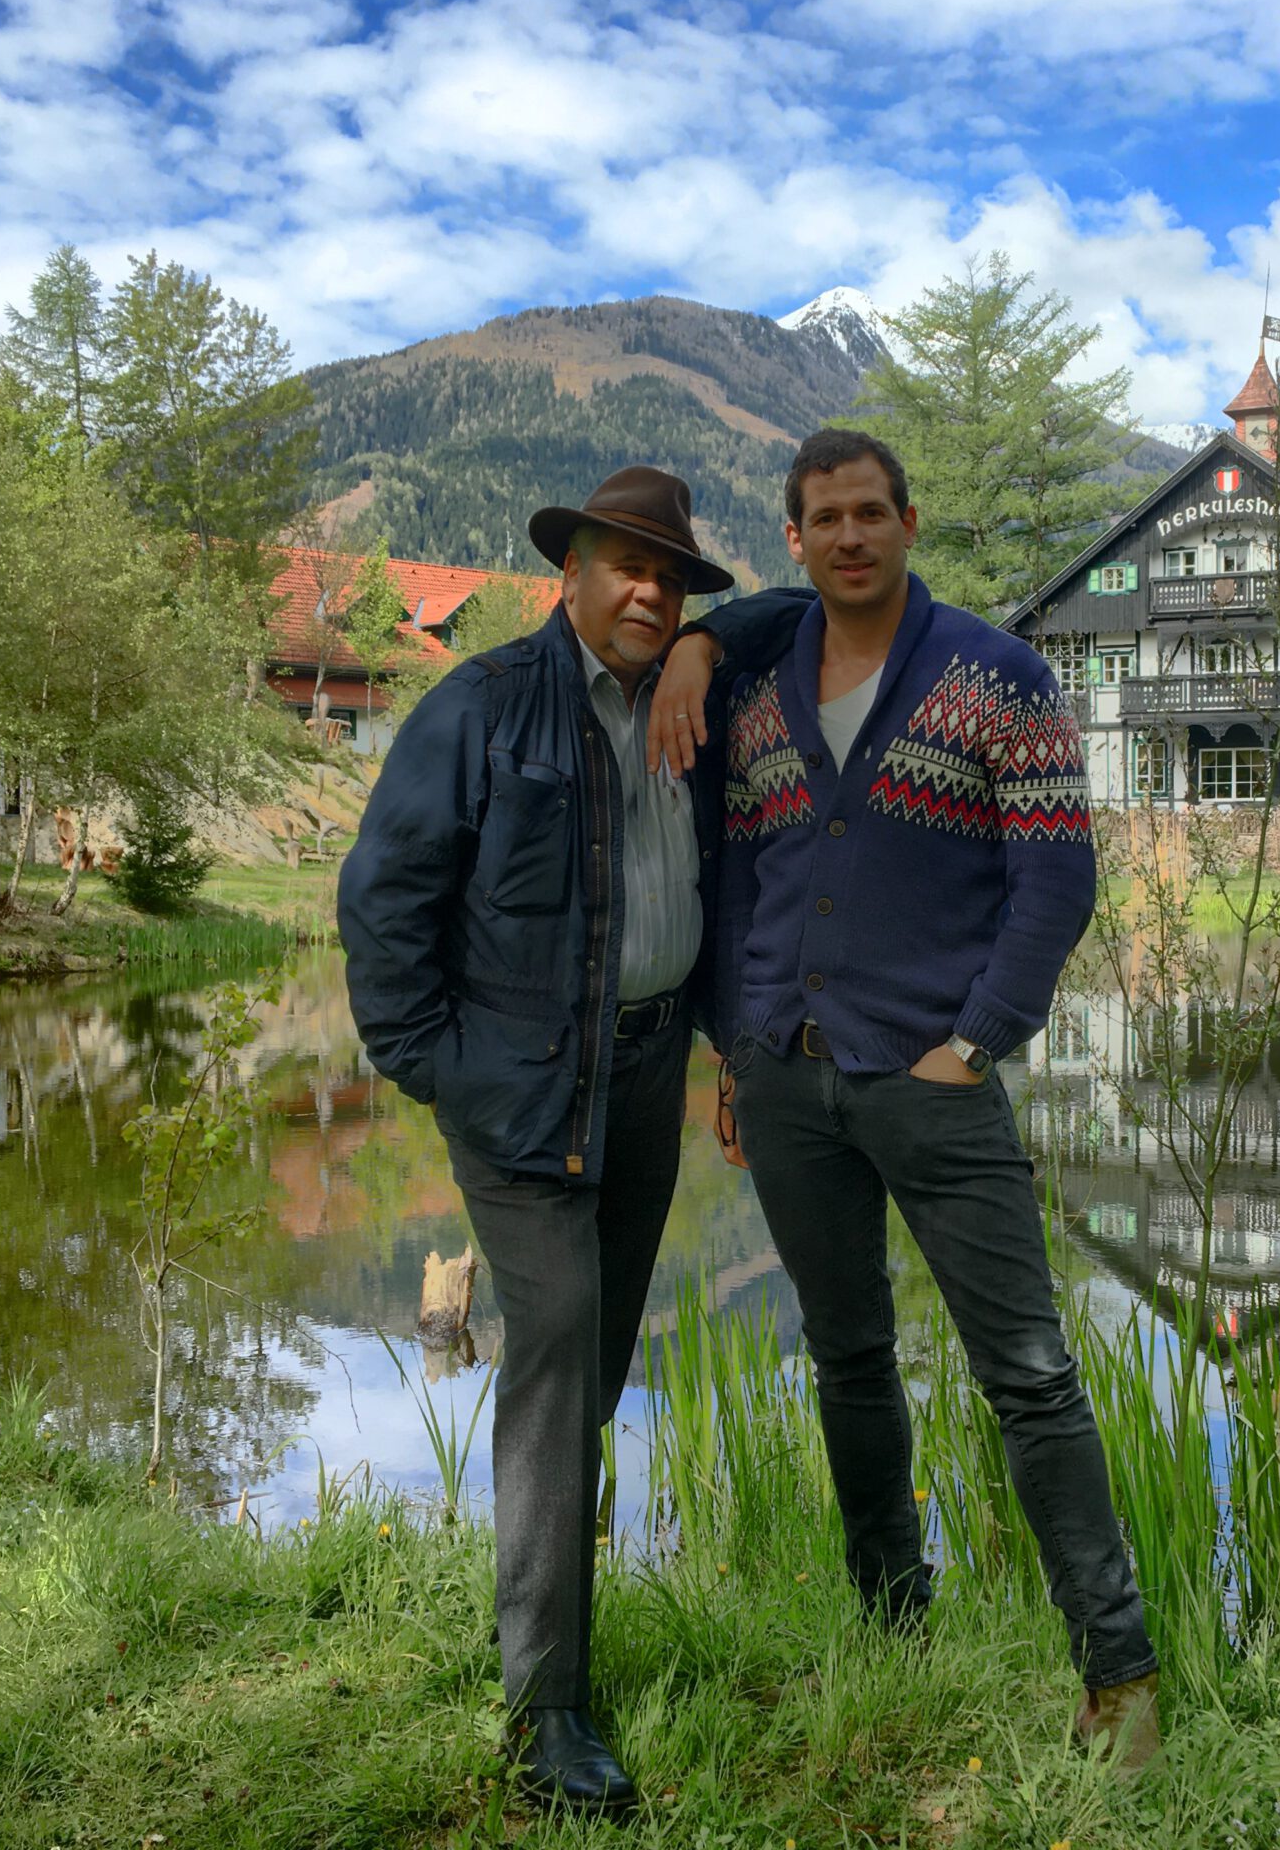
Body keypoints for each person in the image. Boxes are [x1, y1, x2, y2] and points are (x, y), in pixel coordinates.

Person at [648, 428, 1163, 1769]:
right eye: (826, 519)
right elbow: (732, 877)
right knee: (849, 1359)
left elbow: (1056, 880)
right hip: (787, 1081)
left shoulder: (1001, 677)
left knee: (1032, 1375)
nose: (852, 536)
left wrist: (980, 1039)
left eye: (872, 512)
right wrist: (734, 1049)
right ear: (797, 539)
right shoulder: (757, 683)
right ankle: (893, 1628)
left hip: (938, 1084)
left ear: (908, 521)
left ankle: (1120, 1677)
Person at [337, 465, 735, 1814]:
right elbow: (383, 896)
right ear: (568, 571)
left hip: (645, 1078)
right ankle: (548, 1720)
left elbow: (810, 607)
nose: (645, 589)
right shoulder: (486, 706)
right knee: (558, 1358)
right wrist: (432, 1068)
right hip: (519, 1094)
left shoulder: (694, 702)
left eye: (668, 577)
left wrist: (709, 644)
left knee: (592, 1364)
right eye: (623, 565)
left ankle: (549, 1631)